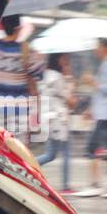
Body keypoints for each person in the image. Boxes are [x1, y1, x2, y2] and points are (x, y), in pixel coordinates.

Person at [75, 38, 107, 198]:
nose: (95, 50)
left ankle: (98, 185)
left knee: (94, 148)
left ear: (105, 47)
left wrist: (93, 81)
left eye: (97, 46)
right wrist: (92, 108)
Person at [0, 14, 37, 142]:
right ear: (18, 28)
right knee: (18, 150)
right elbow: (34, 79)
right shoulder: (26, 49)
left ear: (2, 27)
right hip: (19, 108)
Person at [35, 52, 74, 190]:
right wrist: (68, 77)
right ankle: (66, 186)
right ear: (58, 59)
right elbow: (71, 100)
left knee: (51, 154)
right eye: (65, 58)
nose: (67, 60)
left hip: (49, 119)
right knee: (66, 152)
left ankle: (27, 167)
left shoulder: (46, 75)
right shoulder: (58, 78)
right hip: (59, 121)